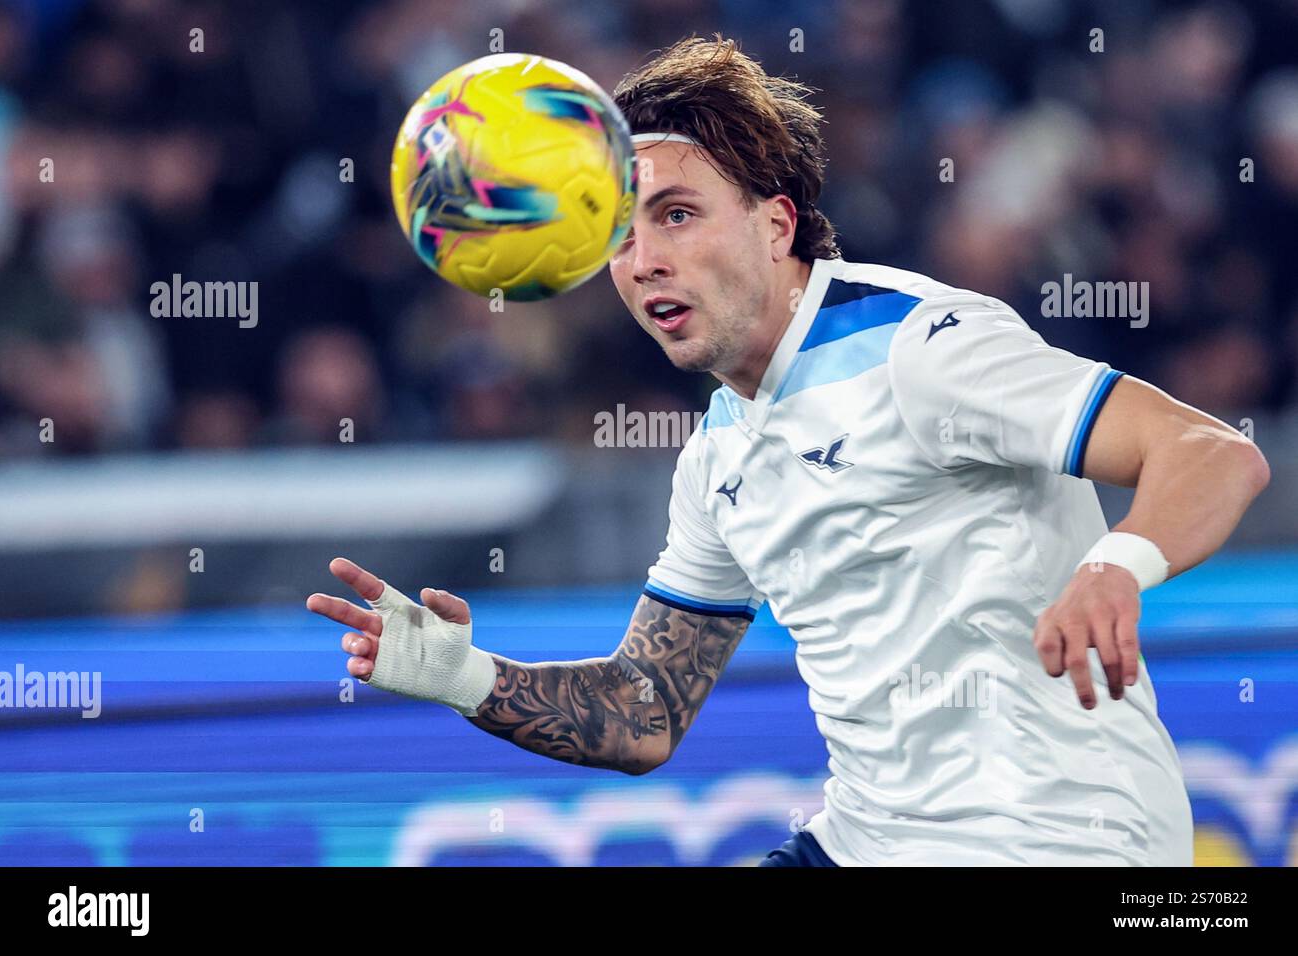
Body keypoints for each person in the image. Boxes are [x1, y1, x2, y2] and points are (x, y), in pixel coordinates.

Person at [306, 36, 1269, 866]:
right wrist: (464, 678)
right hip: (864, 841)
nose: (643, 262)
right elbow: (645, 710)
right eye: (618, 233)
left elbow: (1215, 454)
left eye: (677, 214)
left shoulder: (921, 349)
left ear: (776, 223)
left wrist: (1115, 564)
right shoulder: (719, 454)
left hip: (1059, 839)